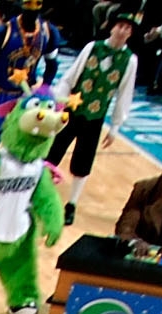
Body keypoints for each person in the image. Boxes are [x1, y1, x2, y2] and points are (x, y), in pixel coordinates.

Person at [49, 14, 134, 224]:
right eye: (120, 26)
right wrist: (59, 103)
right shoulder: (92, 47)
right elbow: (70, 77)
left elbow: (124, 94)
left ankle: (72, 204)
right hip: (71, 109)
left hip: (96, 117)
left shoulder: (130, 60)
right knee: (53, 153)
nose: (123, 31)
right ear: (112, 28)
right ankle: (39, 196)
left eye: (127, 28)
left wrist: (115, 126)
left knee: (83, 162)